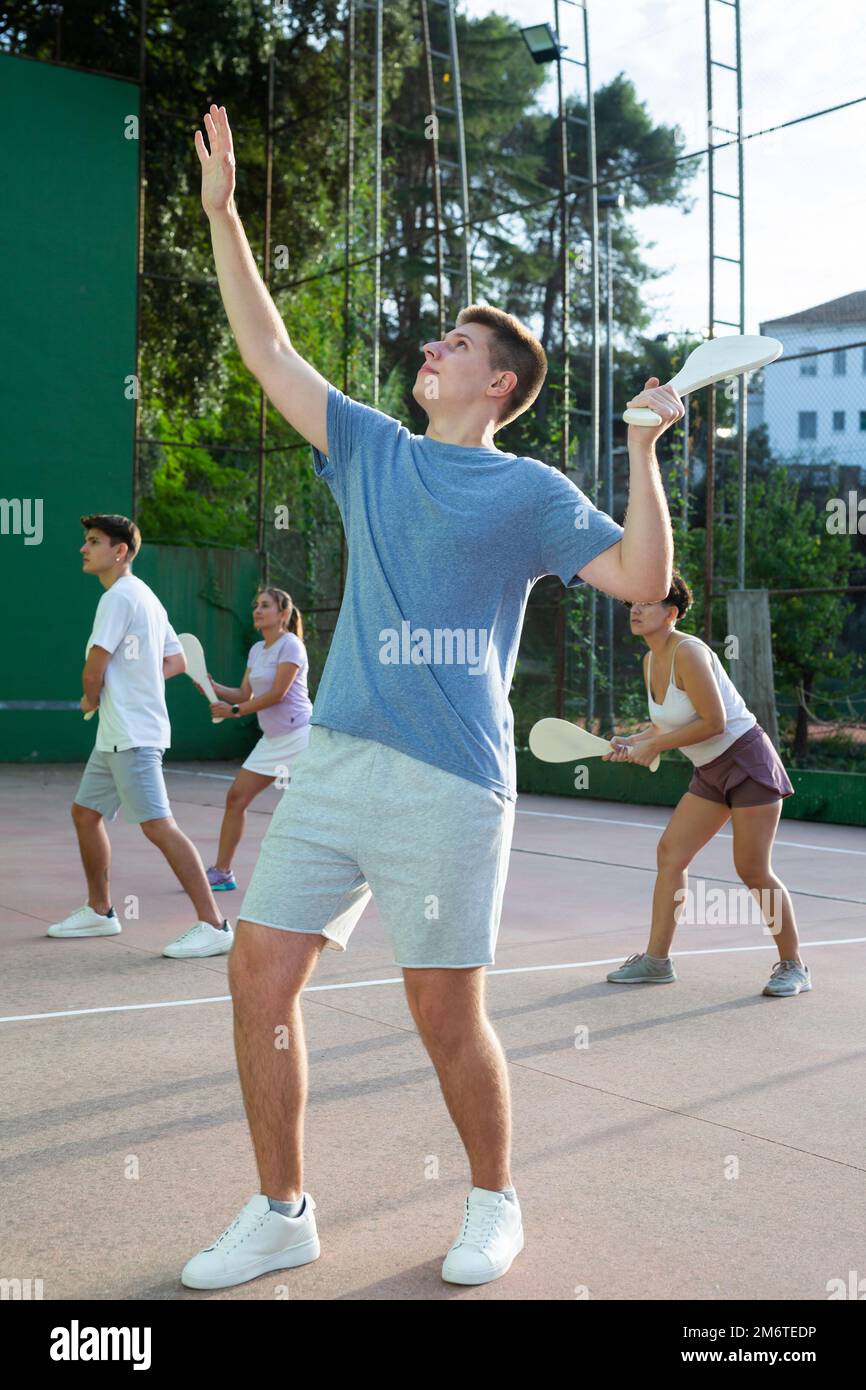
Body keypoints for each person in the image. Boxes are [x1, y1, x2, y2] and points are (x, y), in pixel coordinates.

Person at [180, 103, 681, 1292]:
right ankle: (281, 1209)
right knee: (257, 974)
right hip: (339, 761)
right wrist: (222, 215)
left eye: (455, 343)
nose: (434, 348)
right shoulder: (368, 449)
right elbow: (267, 351)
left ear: (495, 380)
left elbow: (642, 579)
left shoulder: (530, 492)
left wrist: (645, 451)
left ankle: (494, 1200)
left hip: (451, 782)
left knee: (444, 1010)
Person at [603, 571, 808, 998]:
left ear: (672, 613)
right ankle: (657, 962)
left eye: (647, 603)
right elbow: (668, 723)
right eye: (633, 603)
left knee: (752, 869)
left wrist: (655, 746)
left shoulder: (689, 653)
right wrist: (632, 741)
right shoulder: (649, 660)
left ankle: (794, 966)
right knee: (670, 854)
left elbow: (713, 722)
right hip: (710, 770)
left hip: (747, 761)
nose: (636, 609)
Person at [48, 513, 233, 960]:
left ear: (120, 551)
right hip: (117, 735)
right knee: (85, 813)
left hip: (132, 734)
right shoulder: (147, 597)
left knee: (158, 825)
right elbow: (174, 660)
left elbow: (95, 666)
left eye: (92, 541)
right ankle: (101, 910)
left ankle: (215, 924)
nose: (83, 548)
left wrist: (92, 697)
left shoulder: (117, 598)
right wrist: (132, 680)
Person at [201, 587, 313, 892]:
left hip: (300, 737)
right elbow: (244, 694)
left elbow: (278, 694)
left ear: (284, 614)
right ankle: (222, 872)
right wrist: (215, 687)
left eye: (266, 606)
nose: (258, 610)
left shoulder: (291, 646)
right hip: (272, 740)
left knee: (305, 807)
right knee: (236, 798)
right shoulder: (257, 650)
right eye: (256, 606)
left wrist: (233, 711)